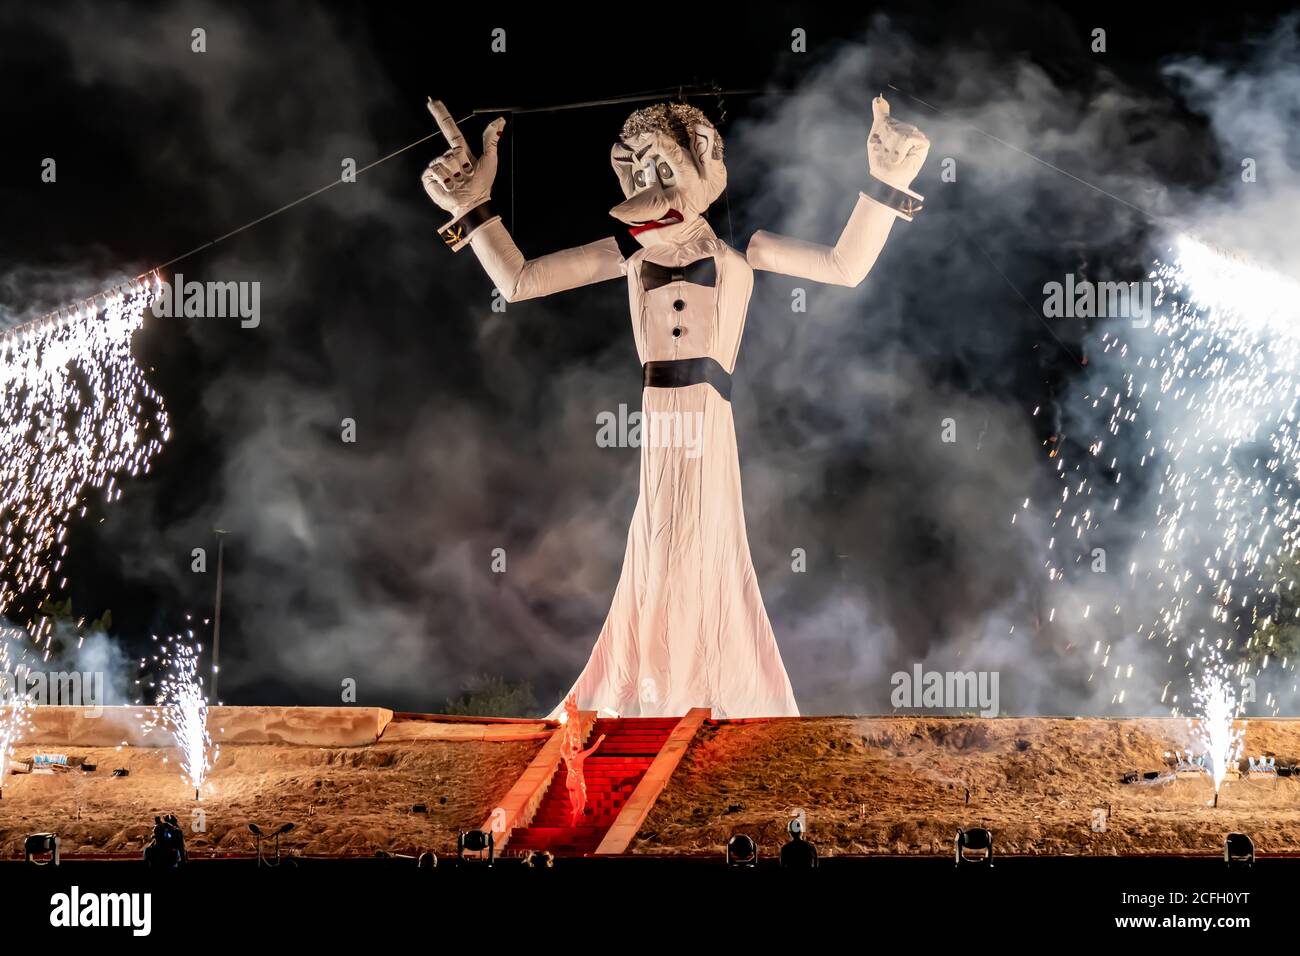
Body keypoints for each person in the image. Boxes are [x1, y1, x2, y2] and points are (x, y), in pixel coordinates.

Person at [423, 95, 928, 718]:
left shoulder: (746, 254)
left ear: (705, 162)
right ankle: (650, 682)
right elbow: (519, 280)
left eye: (660, 169)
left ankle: (714, 682)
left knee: (708, 537)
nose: (645, 186)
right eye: (632, 173)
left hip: (710, 415)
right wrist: (472, 210)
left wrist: (887, 181)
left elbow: (844, 265)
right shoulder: (627, 257)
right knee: (659, 541)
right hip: (661, 418)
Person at [559, 730, 606, 827]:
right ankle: (573, 824)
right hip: (577, 782)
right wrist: (599, 740)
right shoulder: (581, 755)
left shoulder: (567, 756)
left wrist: (565, 738)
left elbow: (562, 749)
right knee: (580, 807)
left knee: (575, 805)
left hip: (569, 782)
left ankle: (574, 810)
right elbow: (593, 749)